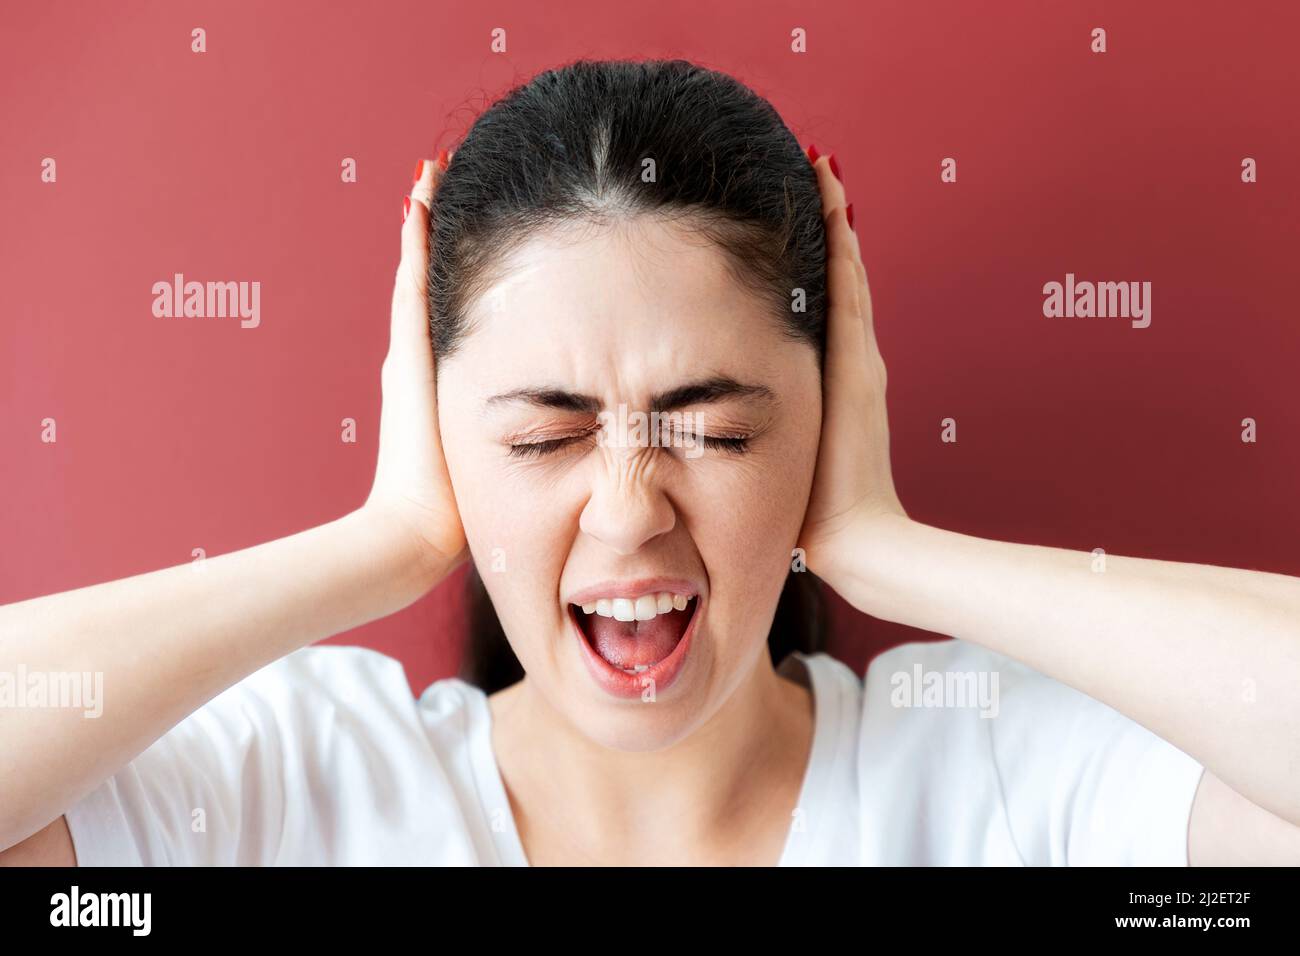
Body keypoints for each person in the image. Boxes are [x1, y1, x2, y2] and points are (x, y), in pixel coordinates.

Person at [2, 59, 1297, 866]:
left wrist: (884, 547)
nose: (628, 514)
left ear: (828, 417)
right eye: (540, 436)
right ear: (438, 430)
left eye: (715, 429)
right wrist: (384, 541)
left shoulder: (1002, 779)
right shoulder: (289, 792)